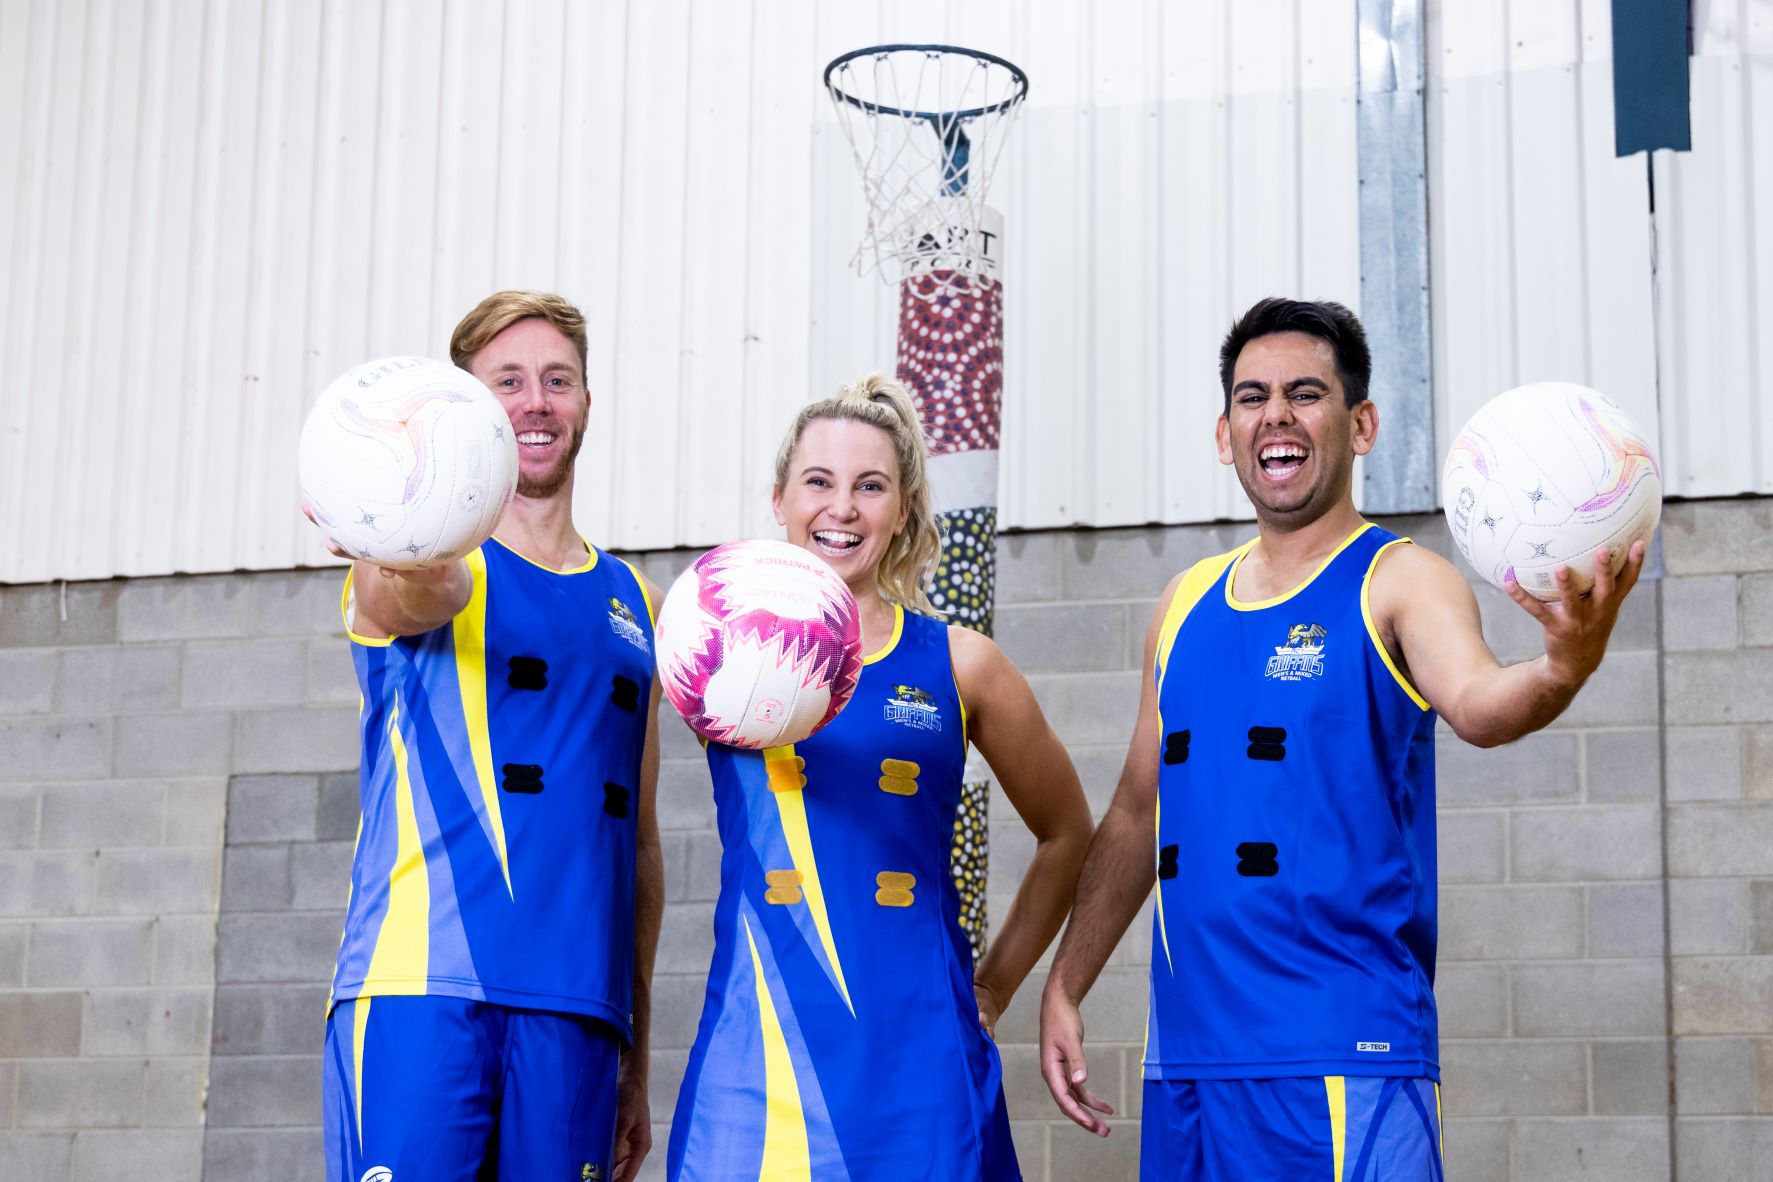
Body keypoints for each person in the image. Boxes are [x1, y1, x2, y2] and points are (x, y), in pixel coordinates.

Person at [1038, 298, 1646, 1180]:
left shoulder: (1401, 581)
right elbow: (1137, 814)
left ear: (1359, 424)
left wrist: (1561, 668)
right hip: (1189, 1066)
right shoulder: (1180, 604)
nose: (1275, 416)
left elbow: (1479, 702)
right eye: (1252, 398)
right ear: (1223, 433)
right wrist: (1066, 983)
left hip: (1341, 1056)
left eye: (1303, 394)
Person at [667, 375, 1095, 1181]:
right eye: (818, 483)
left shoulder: (961, 663)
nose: (842, 509)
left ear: (902, 510)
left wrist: (996, 988)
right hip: (754, 1057)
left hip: (920, 1062)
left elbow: (1068, 831)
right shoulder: (711, 650)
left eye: (871, 487)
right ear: (779, 499)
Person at [313, 291, 664, 1182]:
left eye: (558, 380)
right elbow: (410, 598)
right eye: (507, 382)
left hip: (579, 1008)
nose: (536, 402)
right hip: (418, 989)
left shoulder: (638, 603)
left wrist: (638, 1044)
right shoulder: (421, 556)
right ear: (467, 404)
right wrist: (390, 530)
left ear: (586, 402)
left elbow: (641, 846)